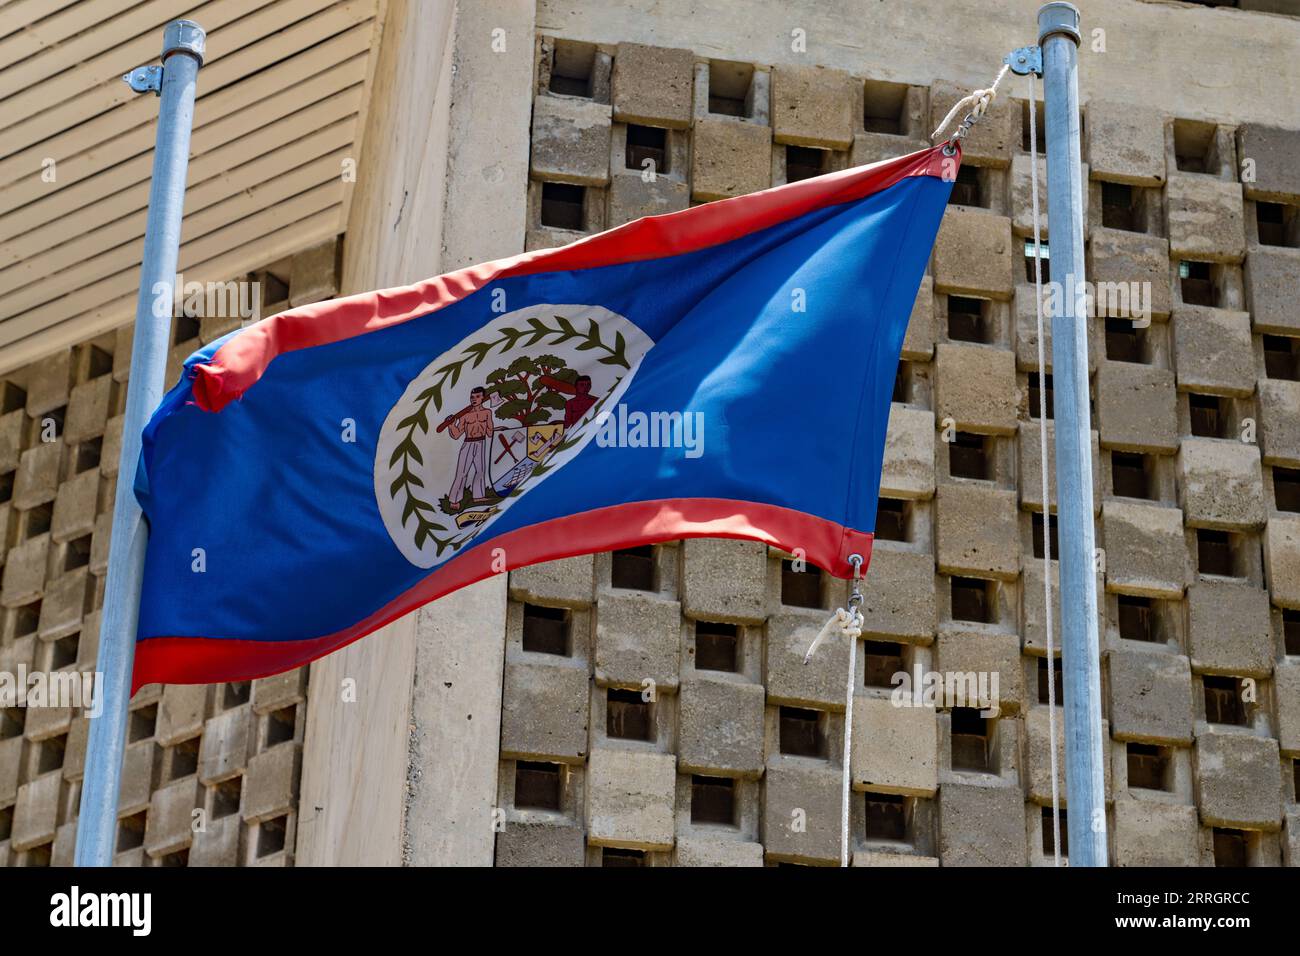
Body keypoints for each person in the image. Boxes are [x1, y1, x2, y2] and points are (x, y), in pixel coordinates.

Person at [447, 387, 495, 511]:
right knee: (462, 472)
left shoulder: (487, 412)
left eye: (478, 396)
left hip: (481, 442)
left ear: (483, 398)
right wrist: (451, 425)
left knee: (481, 470)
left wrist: (497, 430)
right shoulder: (465, 415)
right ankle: (455, 500)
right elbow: (457, 434)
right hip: (468, 444)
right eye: (472, 397)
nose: (474, 399)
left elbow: (490, 431)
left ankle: (478, 496)